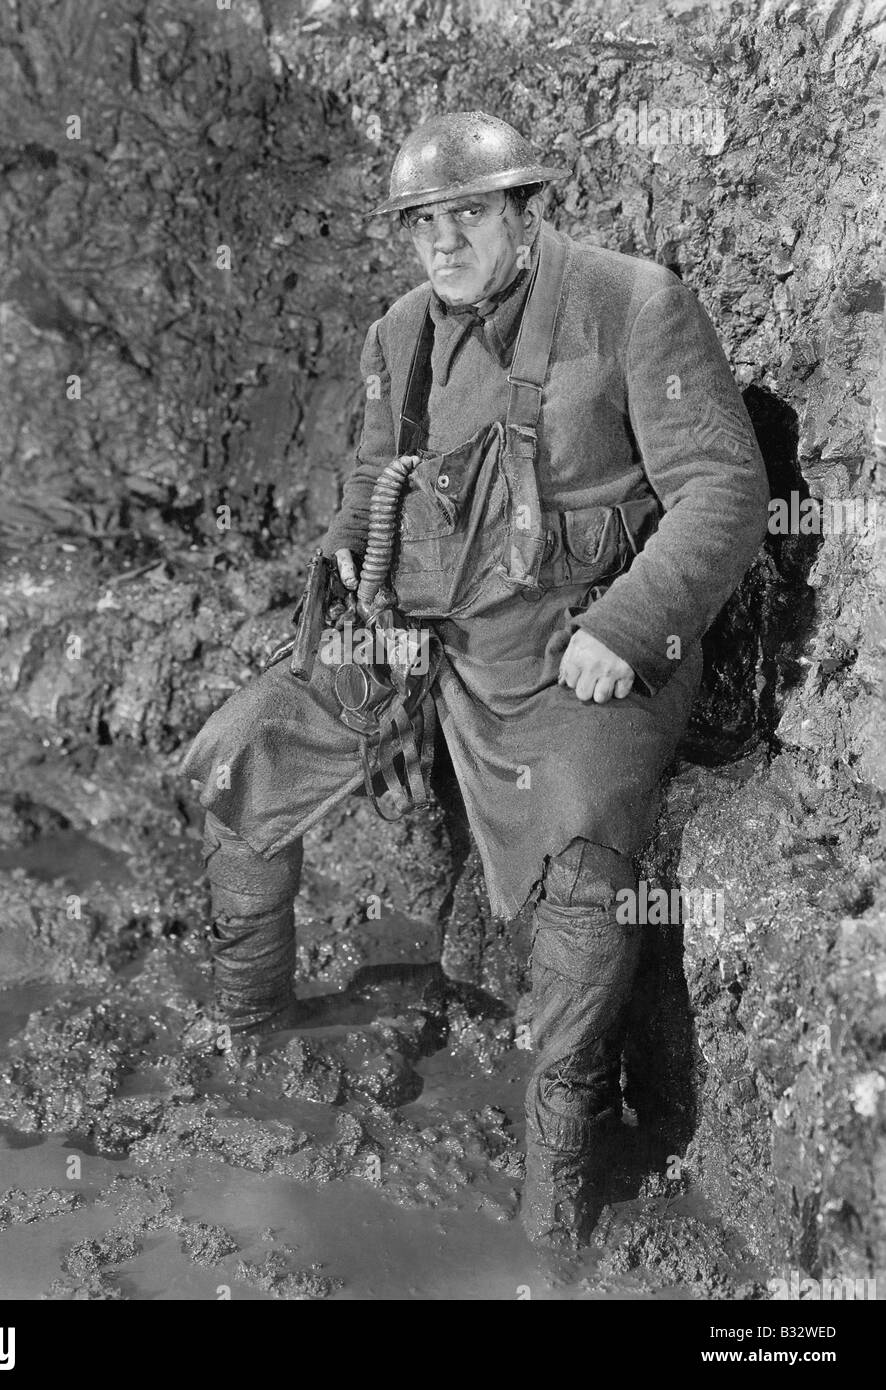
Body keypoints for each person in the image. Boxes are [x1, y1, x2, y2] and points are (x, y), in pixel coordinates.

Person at [179, 111, 770, 1247]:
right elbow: (369, 477)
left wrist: (630, 621)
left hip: (574, 661)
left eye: (465, 215)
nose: (442, 243)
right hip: (422, 642)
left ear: (520, 210)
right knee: (242, 748)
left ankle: (554, 1196)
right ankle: (249, 1029)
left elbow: (721, 493)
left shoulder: (631, 303)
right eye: (421, 223)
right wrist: (356, 539)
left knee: (584, 860)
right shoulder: (397, 331)